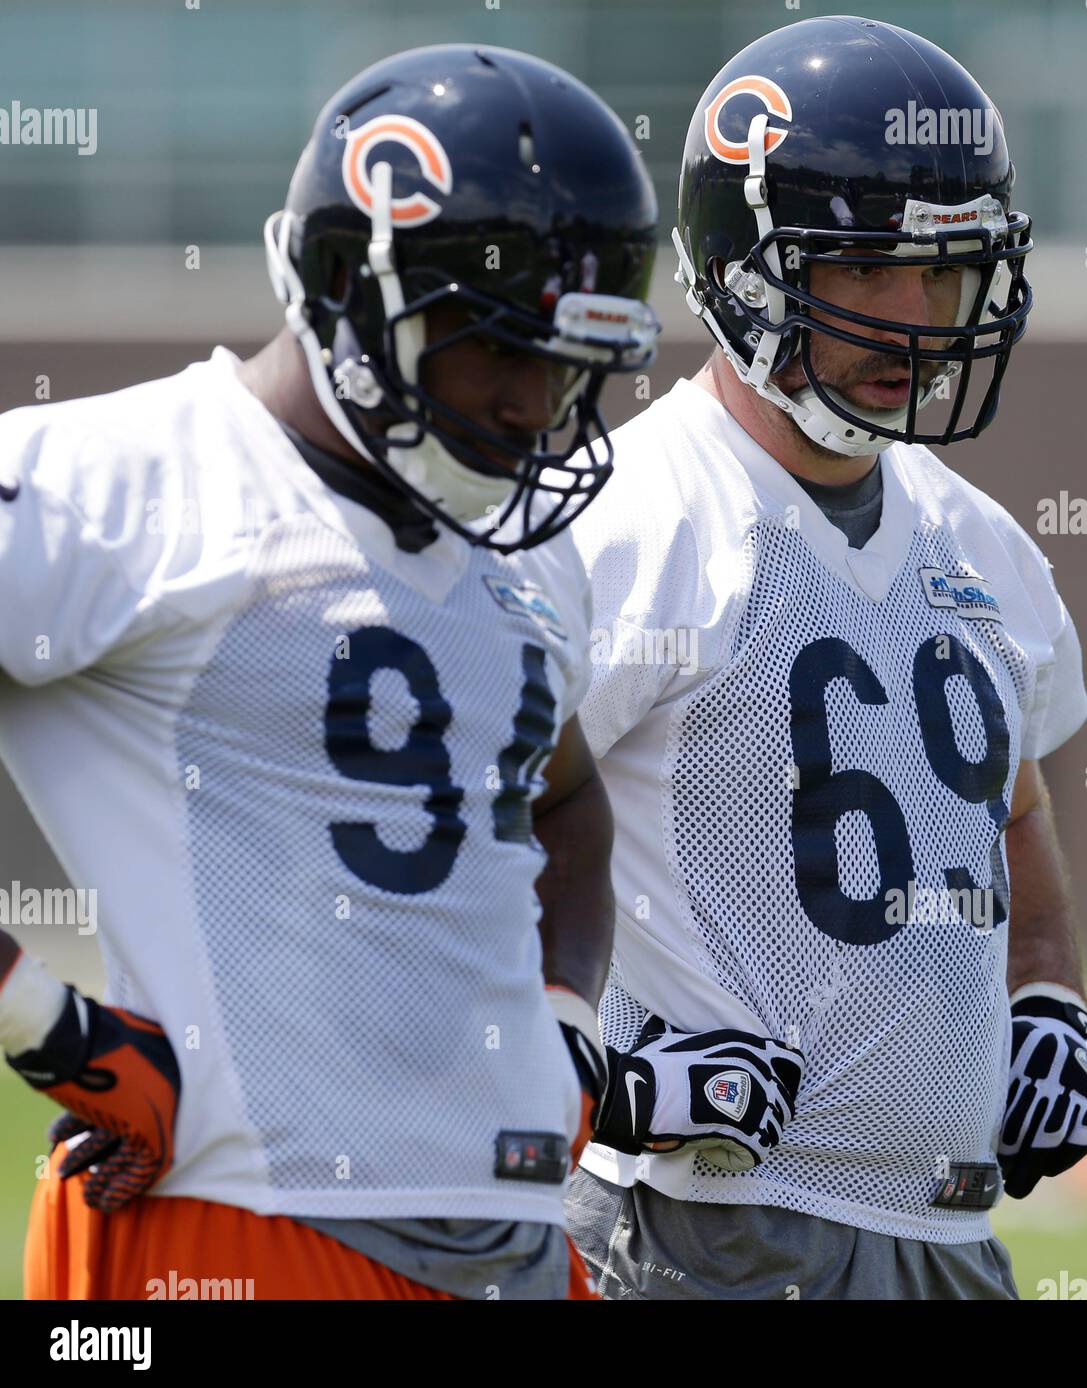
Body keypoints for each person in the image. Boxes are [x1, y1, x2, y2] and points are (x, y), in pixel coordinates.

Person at [0, 43, 659, 1300]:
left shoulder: (514, 549)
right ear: (349, 290)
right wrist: (45, 1023)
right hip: (240, 1228)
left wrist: (569, 1021)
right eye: (493, 347)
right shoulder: (133, 479)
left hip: (519, 1235)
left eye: (566, 363)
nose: (534, 405)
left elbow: (564, 800)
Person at [563, 16, 1087, 1300]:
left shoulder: (980, 542)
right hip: (696, 1223)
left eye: (948, 271)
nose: (918, 316)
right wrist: (608, 1084)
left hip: (952, 1235)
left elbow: (1012, 810)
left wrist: (1049, 998)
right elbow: (476, 845)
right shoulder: (629, 519)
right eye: (868, 269)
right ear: (746, 266)